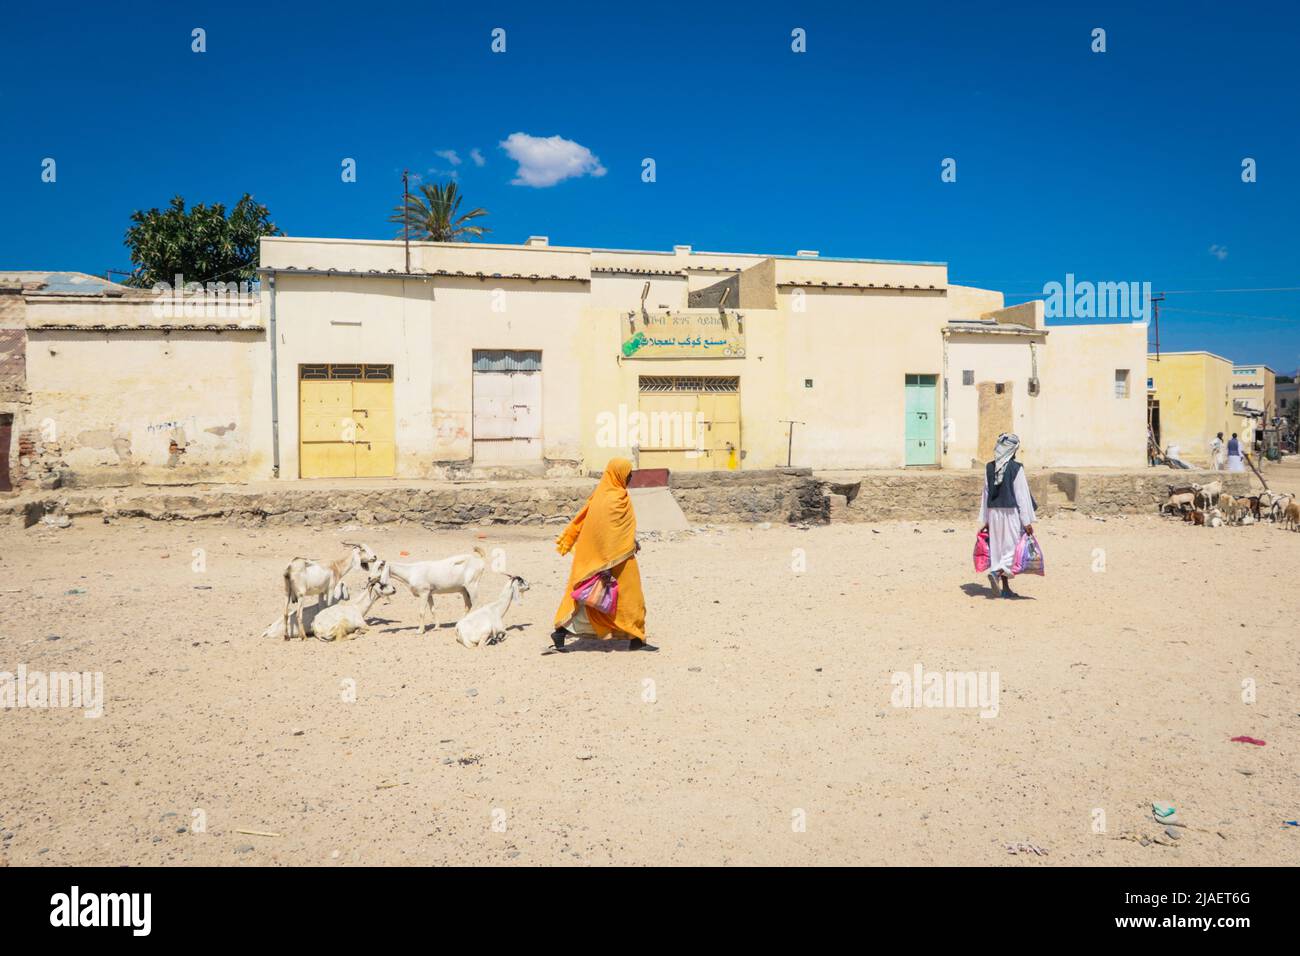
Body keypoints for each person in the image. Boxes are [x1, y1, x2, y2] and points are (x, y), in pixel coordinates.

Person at [551, 458, 648, 650]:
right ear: (618, 474)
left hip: (614, 555)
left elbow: (615, 530)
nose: (630, 478)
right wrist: (612, 559)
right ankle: (635, 637)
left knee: (599, 601)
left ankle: (635, 637)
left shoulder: (609, 496)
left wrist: (630, 542)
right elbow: (603, 532)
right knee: (622, 597)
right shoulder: (612, 499)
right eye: (628, 475)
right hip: (610, 559)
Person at [978, 433, 1036, 598]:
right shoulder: (1016, 468)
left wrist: (987, 520)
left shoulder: (989, 467)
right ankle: (996, 573)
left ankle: (1005, 587)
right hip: (1010, 513)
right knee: (1013, 549)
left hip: (994, 513)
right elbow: (1022, 497)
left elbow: (986, 493)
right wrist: (1026, 522)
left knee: (998, 549)